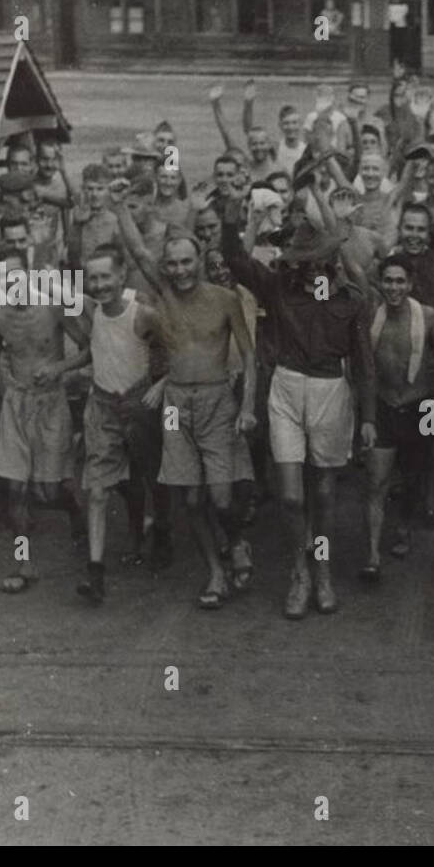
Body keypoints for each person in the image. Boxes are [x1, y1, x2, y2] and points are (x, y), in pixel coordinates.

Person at [219, 172, 377, 619]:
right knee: (290, 496)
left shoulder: (350, 298)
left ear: (329, 259)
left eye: (317, 258)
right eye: (301, 259)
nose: (309, 266)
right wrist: (233, 211)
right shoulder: (276, 286)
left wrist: (367, 417)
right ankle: (298, 571)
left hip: (331, 391)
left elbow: (363, 362)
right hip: (287, 387)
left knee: (324, 496)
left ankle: (321, 569)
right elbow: (234, 258)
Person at [133, 228, 258, 610]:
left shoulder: (225, 300)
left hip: (217, 401)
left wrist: (248, 406)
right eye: (172, 263)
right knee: (189, 497)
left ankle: (236, 540)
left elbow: (250, 358)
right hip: (174, 406)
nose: (180, 269)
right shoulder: (164, 298)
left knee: (221, 498)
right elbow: (137, 251)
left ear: (200, 260)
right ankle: (215, 573)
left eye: (187, 261)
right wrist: (117, 204)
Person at [0, 248, 89, 594]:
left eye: (17, 275)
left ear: (28, 275)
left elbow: (89, 346)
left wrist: (58, 368)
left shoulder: (52, 309)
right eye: (4, 279)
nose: (12, 284)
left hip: (51, 404)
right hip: (16, 404)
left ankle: (76, 516)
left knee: (51, 490)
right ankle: (24, 562)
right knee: (16, 488)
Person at [71, 245, 172, 604]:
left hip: (138, 404)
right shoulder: (90, 310)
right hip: (102, 406)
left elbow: (176, 350)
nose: (99, 285)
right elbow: (93, 346)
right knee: (97, 490)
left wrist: (160, 385)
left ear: (120, 275)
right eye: (92, 278)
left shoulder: (141, 313)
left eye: (105, 277)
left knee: (151, 475)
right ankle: (95, 573)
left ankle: (160, 532)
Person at [360, 256, 434, 580]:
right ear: (380, 282)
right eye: (388, 281)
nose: (394, 288)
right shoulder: (372, 314)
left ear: (410, 284)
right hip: (384, 406)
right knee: (376, 481)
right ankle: (371, 554)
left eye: (400, 281)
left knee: (413, 479)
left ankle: (403, 526)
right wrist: (367, 416)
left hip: (417, 406)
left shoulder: (428, 316)